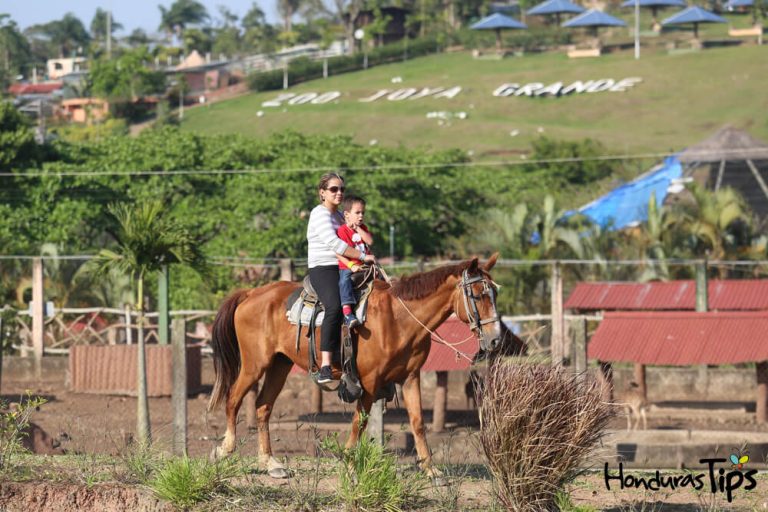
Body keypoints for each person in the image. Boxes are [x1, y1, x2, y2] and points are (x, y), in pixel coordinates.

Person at [307, 173, 375, 385]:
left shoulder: (340, 216)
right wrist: (363, 257)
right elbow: (335, 245)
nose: (339, 193)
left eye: (341, 189)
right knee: (334, 306)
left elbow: (357, 238)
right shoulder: (319, 214)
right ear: (322, 193)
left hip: (347, 265)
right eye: (334, 189)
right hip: (324, 267)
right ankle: (326, 364)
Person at [335, 195, 373, 329]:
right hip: (348, 267)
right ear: (347, 214)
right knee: (344, 282)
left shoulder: (363, 228)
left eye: (363, 212)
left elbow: (369, 241)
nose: (361, 216)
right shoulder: (342, 231)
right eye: (357, 213)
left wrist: (357, 228)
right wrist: (351, 265)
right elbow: (339, 252)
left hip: (365, 266)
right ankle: (347, 312)